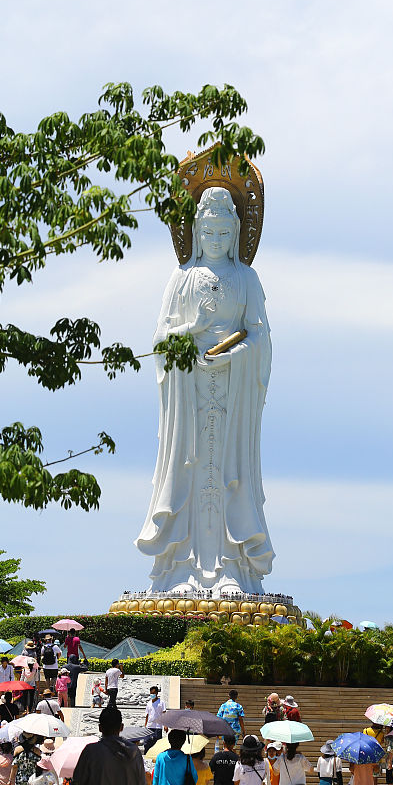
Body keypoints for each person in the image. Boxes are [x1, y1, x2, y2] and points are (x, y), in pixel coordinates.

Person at [136, 184, 274, 596]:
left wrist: (235, 355)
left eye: (223, 233)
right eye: (208, 233)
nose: (215, 241)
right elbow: (160, 339)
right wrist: (189, 333)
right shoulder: (181, 278)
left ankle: (233, 566)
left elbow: (261, 338)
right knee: (189, 471)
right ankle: (181, 571)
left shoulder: (246, 278)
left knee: (230, 473)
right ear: (196, 232)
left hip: (232, 394)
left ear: (235, 234)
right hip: (189, 392)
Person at [145, 685, 166, 751]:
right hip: (150, 725)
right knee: (147, 743)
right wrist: (145, 725)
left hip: (158, 726)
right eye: (151, 693)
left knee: (157, 743)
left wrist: (165, 725)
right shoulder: (148, 703)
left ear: (157, 693)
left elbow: (164, 713)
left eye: (154, 693)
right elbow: (147, 714)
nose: (152, 694)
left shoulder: (161, 703)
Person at [20, 642, 40, 713]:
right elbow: (36, 679)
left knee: (24, 697)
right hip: (32, 685)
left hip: (25, 684)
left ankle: (26, 709)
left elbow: (22, 678)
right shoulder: (35, 669)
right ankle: (30, 709)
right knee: (31, 698)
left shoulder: (24, 651)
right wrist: (38, 686)